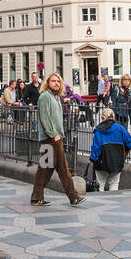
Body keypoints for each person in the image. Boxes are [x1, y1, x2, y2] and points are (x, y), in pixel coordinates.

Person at [29, 72, 86, 208]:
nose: (56, 83)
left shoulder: (55, 97)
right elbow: (45, 118)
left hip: (55, 137)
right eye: (53, 81)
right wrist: (53, 134)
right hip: (50, 138)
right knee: (63, 168)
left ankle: (36, 198)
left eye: (58, 81)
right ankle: (73, 196)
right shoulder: (45, 97)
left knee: (45, 168)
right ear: (47, 83)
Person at [88, 107, 131, 191]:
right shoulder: (120, 128)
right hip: (117, 161)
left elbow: (96, 147)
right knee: (114, 183)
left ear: (103, 118)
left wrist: (92, 158)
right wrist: (125, 152)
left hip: (102, 162)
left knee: (100, 184)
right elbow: (130, 142)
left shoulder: (99, 130)